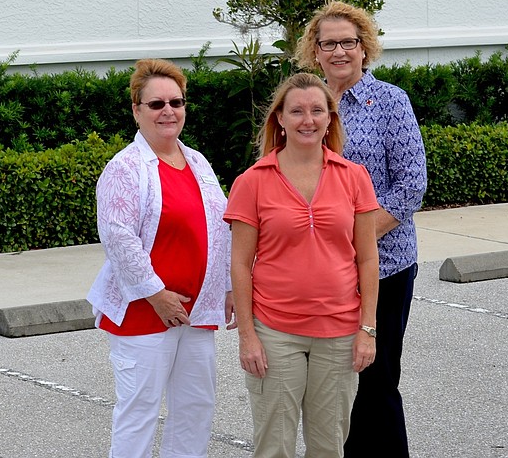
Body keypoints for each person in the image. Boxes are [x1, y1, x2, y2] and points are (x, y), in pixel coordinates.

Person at [295, 0, 428, 458]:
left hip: (386, 267)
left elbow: (411, 185)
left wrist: (359, 241)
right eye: (328, 43)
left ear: (364, 48)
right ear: (314, 50)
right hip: (325, 274)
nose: (338, 51)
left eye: (347, 42)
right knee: (333, 385)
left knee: (377, 378)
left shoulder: (390, 101)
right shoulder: (307, 103)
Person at [225, 71, 380, 458]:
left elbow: (368, 257)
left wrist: (367, 330)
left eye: (316, 110)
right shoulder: (252, 181)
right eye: (296, 111)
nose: (307, 120)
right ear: (280, 118)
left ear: (330, 118)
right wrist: (248, 336)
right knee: (273, 447)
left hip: (340, 333)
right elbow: (240, 265)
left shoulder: (354, 177)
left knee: (329, 448)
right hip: (275, 333)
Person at [87, 58, 234, 458]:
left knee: (195, 410)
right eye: (156, 104)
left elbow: (220, 229)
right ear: (137, 110)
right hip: (144, 313)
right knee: (139, 413)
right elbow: (118, 238)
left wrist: (227, 287)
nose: (168, 111)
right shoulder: (124, 168)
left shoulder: (198, 162)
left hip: (195, 312)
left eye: (176, 101)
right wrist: (156, 294)